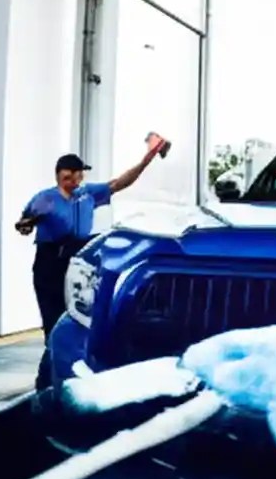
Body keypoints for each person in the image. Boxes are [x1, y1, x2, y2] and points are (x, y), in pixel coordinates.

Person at [17, 143, 167, 389]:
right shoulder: (45, 198)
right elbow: (24, 226)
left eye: (79, 174)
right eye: (72, 174)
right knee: (54, 323)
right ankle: (46, 381)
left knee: (80, 320)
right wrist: (27, 222)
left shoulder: (87, 194)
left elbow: (119, 183)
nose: (77, 179)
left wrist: (146, 160)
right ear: (61, 175)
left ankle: (67, 376)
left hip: (77, 261)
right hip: (50, 263)